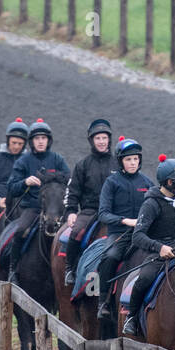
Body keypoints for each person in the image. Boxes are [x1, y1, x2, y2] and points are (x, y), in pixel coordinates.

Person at [121, 155, 175, 337]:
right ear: (170, 182)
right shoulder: (151, 204)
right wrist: (159, 248)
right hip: (159, 255)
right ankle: (132, 317)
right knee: (143, 279)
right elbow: (138, 236)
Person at [0, 118, 70, 277]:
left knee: (70, 235)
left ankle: (70, 271)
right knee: (20, 230)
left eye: (44, 138)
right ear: (31, 141)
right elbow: (11, 187)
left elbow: (68, 180)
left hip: (56, 209)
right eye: (37, 138)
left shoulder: (58, 159)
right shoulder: (24, 161)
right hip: (32, 208)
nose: (41, 141)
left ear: (48, 140)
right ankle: (12, 271)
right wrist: (25, 182)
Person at [93, 137, 152, 319]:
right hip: (119, 233)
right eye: (128, 159)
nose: (133, 163)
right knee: (110, 257)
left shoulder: (147, 183)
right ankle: (103, 301)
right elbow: (103, 213)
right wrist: (125, 221)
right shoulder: (111, 183)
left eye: (135, 159)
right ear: (121, 162)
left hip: (144, 234)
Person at [63, 118, 115, 285]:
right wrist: (71, 211)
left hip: (115, 212)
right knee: (76, 232)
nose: (101, 142)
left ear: (109, 140)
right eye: (97, 138)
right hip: (90, 211)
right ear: (92, 140)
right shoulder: (82, 165)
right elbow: (73, 191)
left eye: (104, 138)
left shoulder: (118, 163)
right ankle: (69, 268)